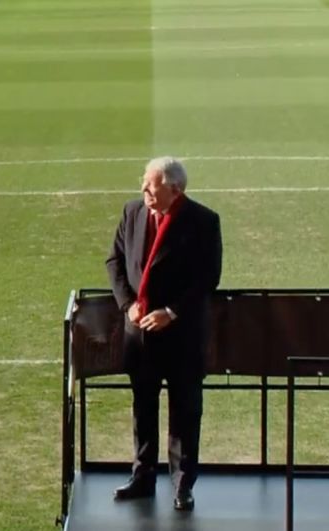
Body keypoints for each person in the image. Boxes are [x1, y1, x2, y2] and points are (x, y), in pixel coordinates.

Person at [105, 156, 222, 511]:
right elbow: (115, 261)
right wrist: (129, 305)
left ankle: (182, 484)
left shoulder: (203, 221)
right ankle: (142, 476)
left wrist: (171, 312)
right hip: (139, 335)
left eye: (151, 185)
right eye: (143, 182)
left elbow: (207, 278)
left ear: (175, 190)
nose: (144, 190)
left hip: (182, 335)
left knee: (186, 411)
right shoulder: (133, 212)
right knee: (143, 407)